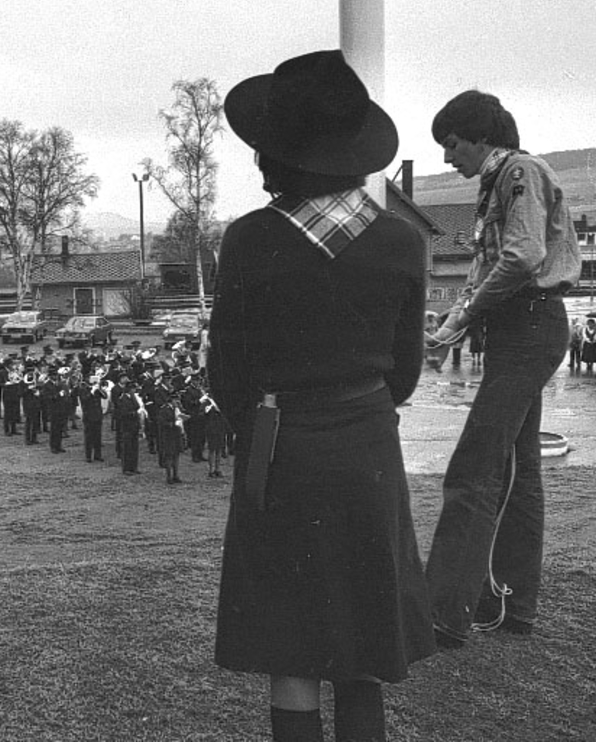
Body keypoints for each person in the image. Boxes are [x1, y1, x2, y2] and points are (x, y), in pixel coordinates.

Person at [210, 50, 434, 742]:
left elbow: (226, 373)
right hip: (369, 445)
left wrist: (264, 421)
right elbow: (406, 371)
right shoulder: (402, 240)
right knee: (363, 641)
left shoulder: (248, 240)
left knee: (292, 641)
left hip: (281, 449)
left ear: (278, 155)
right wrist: (360, 406)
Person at [425, 90, 581, 649]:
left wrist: (464, 316)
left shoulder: (519, 172)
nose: (448, 158)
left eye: (452, 144)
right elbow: (488, 268)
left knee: (473, 471)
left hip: (529, 325)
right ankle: (512, 606)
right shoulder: (498, 182)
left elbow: (520, 257)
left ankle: (442, 614)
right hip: (521, 328)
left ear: (481, 136)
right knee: (519, 468)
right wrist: (451, 328)